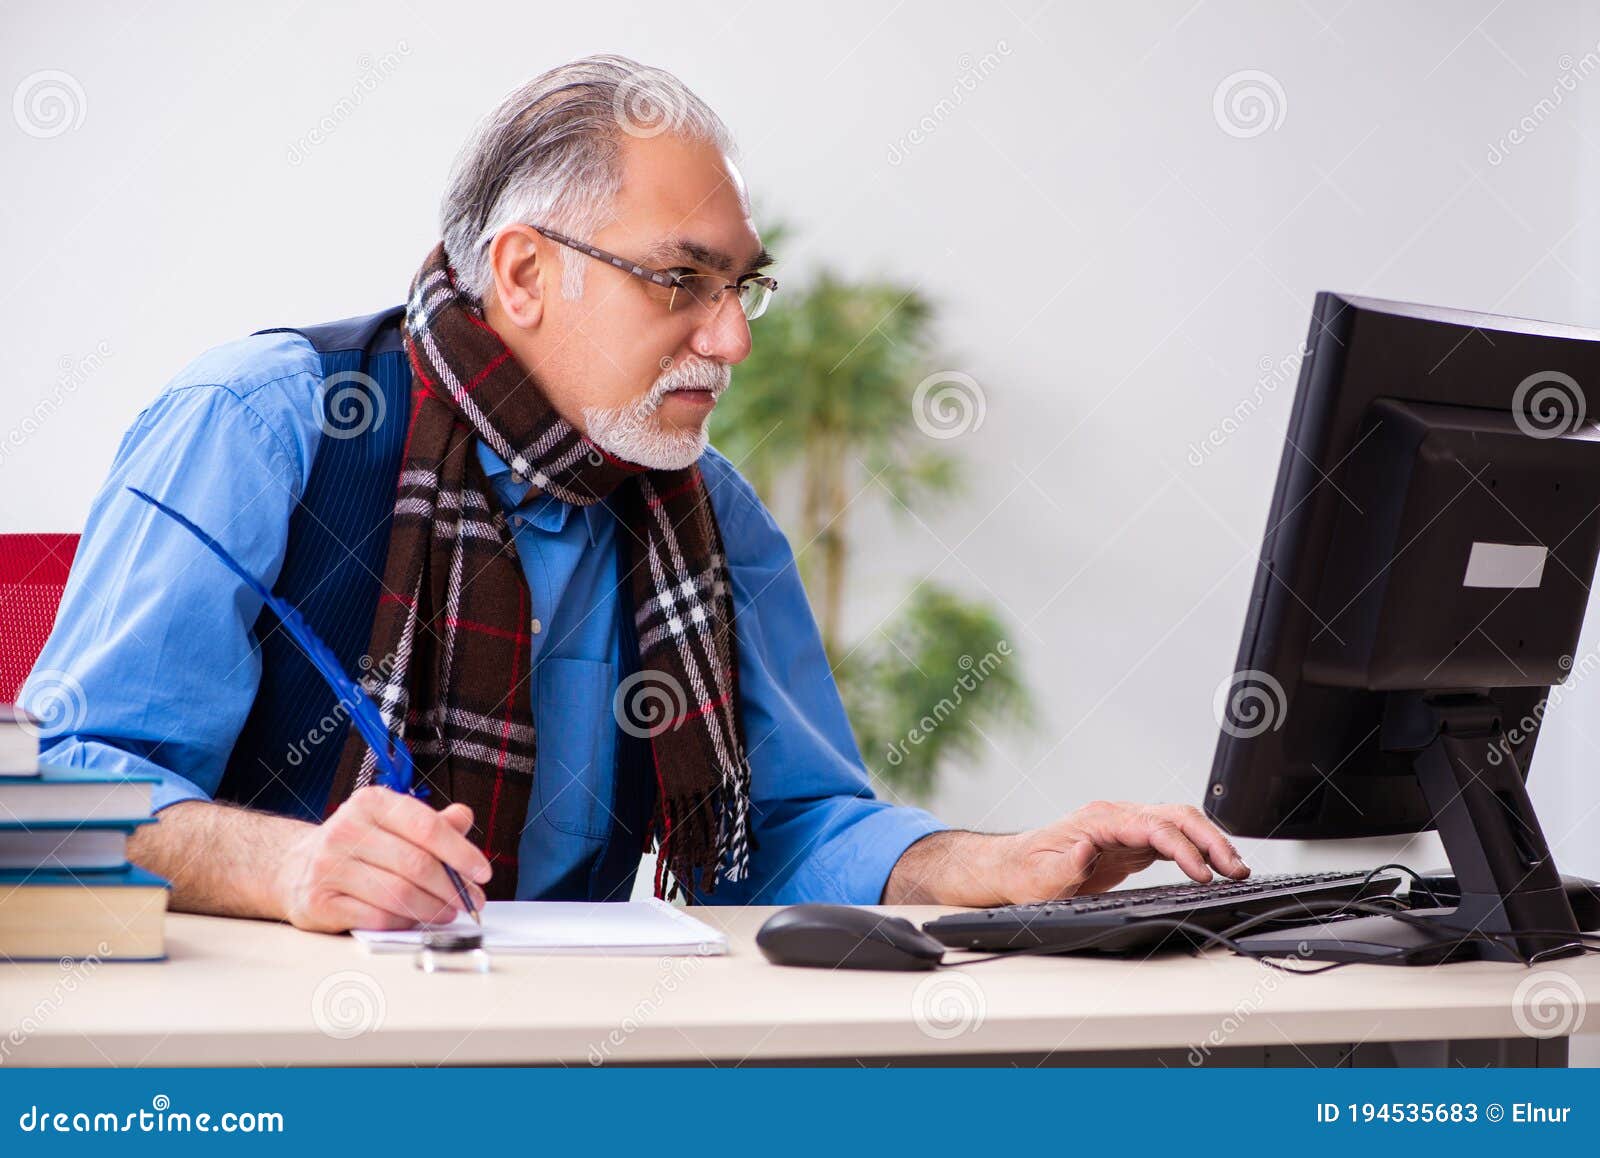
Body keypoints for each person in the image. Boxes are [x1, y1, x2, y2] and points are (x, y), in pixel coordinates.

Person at [22, 55, 1248, 933]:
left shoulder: (711, 515)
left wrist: (993, 863)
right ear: (524, 272)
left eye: (741, 289)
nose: (733, 340)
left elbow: (789, 829)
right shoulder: (264, 425)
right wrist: (290, 869)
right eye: (681, 281)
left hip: (568, 1060)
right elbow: (66, 794)